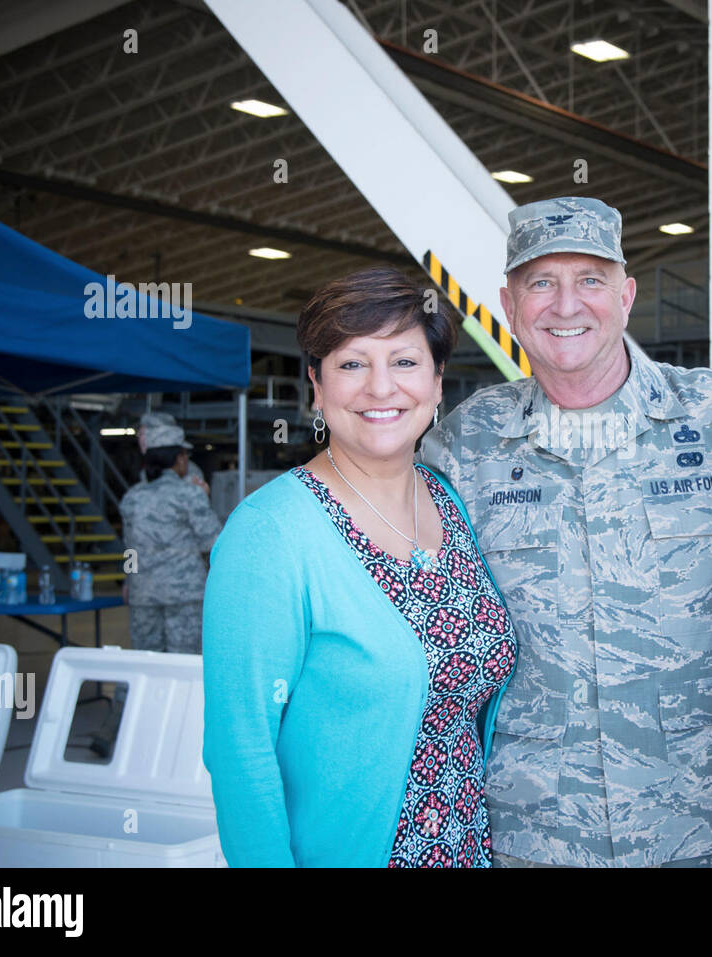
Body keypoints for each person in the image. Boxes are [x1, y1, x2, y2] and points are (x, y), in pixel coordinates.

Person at [422, 197, 712, 867]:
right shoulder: (466, 446)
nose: (566, 304)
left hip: (703, 829)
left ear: (626, 294)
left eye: (589, 279)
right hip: (536, 835)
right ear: (510, 302)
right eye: (541, 283)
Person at [202, 267, 517, 867]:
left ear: (436, 381)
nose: (381, 387)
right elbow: (240, 751)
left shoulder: (449, 502)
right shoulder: (271, 532)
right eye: (351, 364)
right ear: (316, 386)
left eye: (404, 362)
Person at [118, 422, 221, 654]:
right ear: (179, 458)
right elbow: (213, 542)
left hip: (142, 594)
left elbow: (129, 549)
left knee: (144, 661)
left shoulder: (132, 497)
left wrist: (130, 582)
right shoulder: (190, 493)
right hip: (184, 595)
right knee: (183, 666)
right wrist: (205, 498)